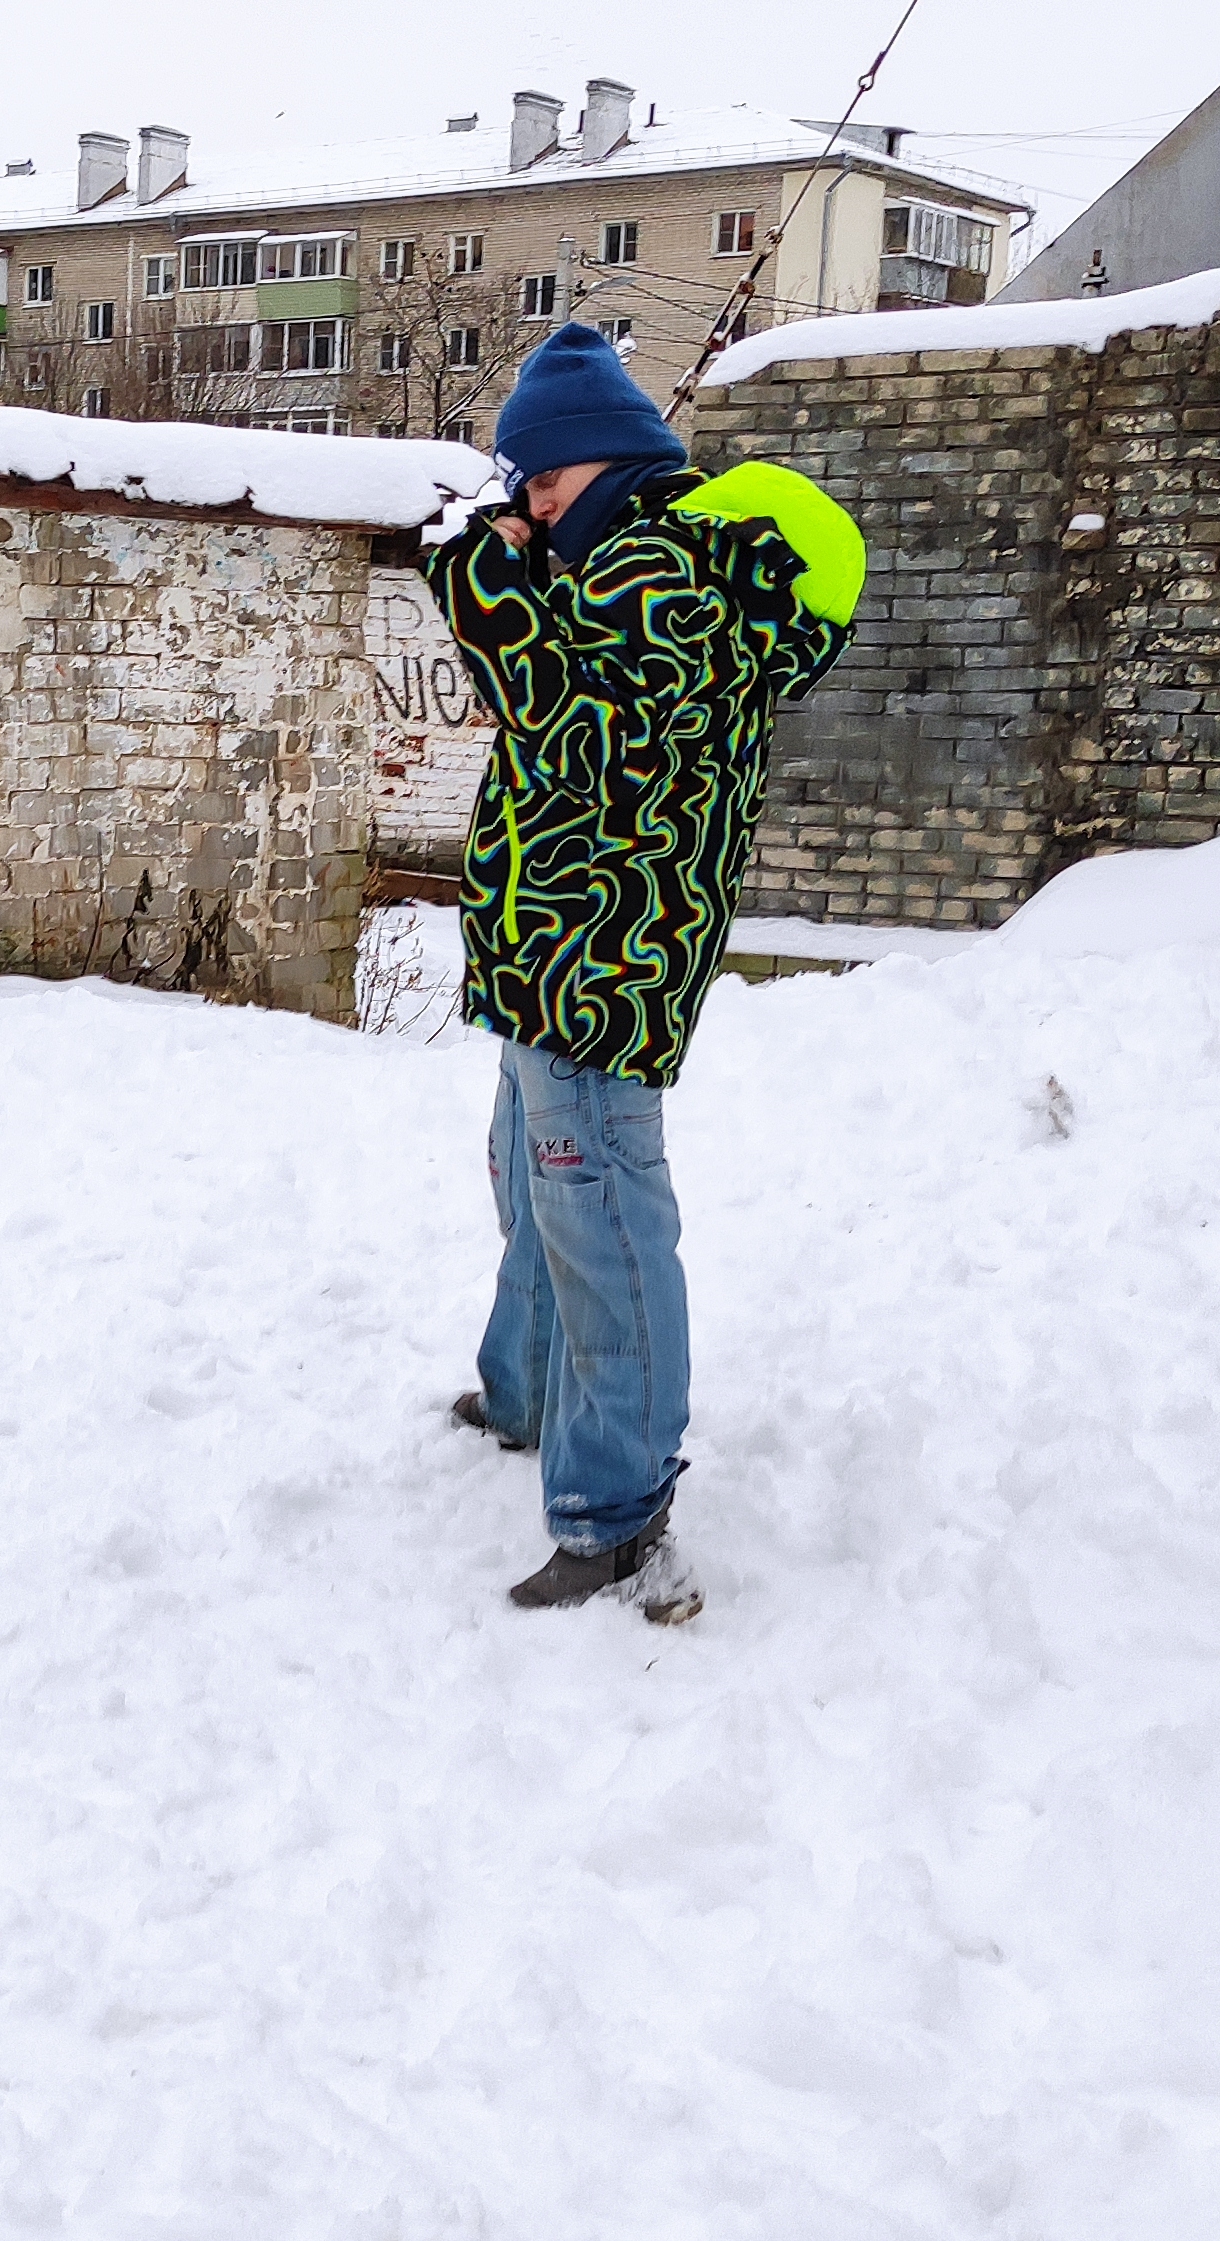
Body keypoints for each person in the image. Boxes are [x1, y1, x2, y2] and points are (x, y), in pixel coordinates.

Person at [420, 323, 858, 1623]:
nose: (524, 516)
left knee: (601, 1214)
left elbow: (555, 705)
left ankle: (614, 1509)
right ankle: (525, 1391)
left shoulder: (666, 575)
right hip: (553, 948)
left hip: (602, 962)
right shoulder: (627, 563)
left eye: (535, 490)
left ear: (594, 467)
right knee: (529, 1179)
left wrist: (472, 581)